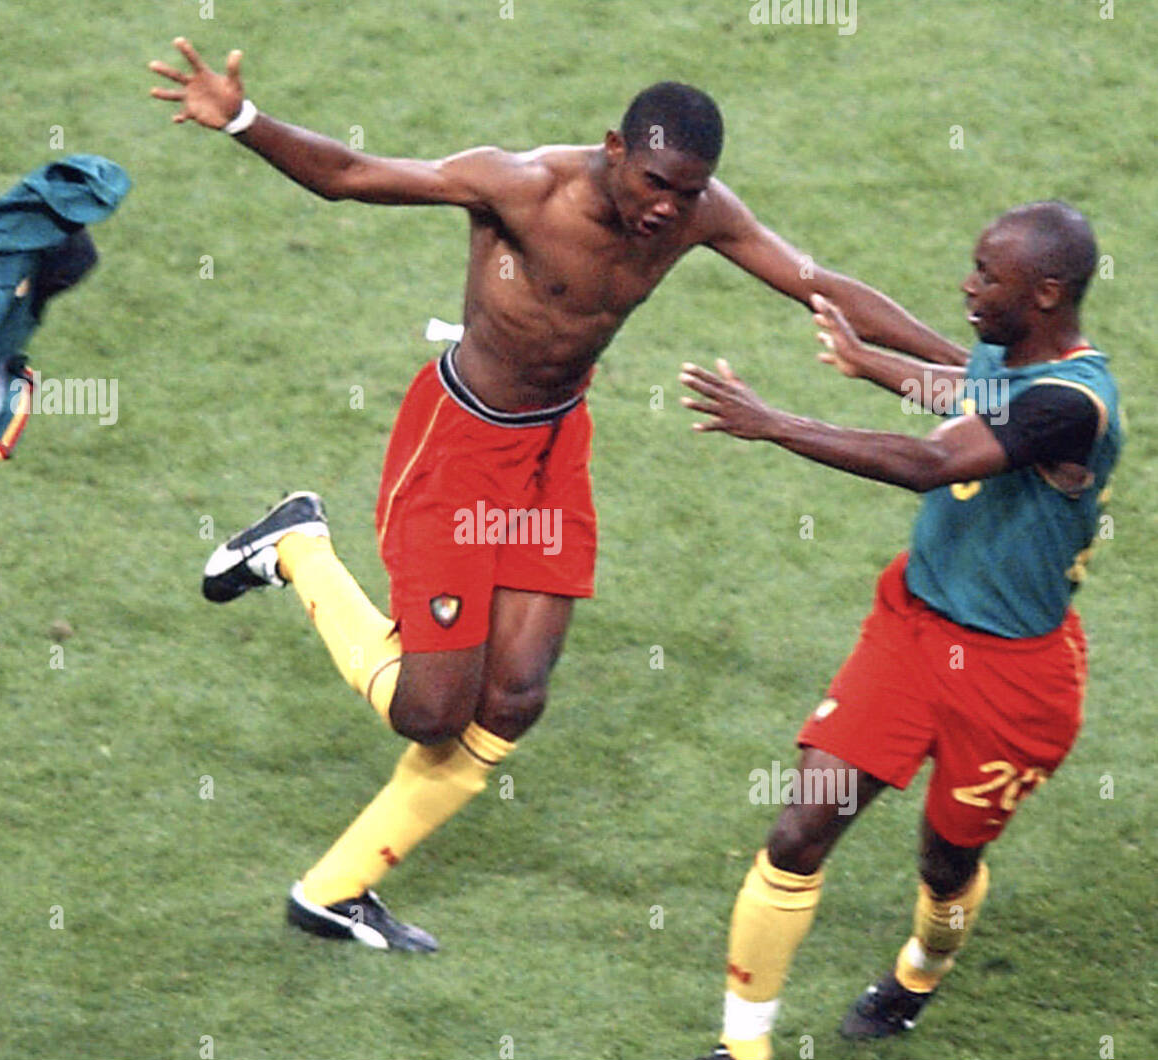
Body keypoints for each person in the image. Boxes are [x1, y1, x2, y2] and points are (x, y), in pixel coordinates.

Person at [148, 36, 964, 952]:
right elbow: (349, 174)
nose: (668, 208)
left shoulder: (698, 213)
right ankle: (296, 546)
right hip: (457, 445)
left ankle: (334, 892)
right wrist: (245, 120)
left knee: (516, 697)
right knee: (427, 710)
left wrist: (972, 367)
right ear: (615, 147)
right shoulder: (522, 186)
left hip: (553, 449)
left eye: (688, 191)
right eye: (655, 181)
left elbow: (820, 283)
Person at [680, 201, 1120, 1059]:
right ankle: (743, 1049)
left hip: (1015, 680)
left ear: (1047, 293)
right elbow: (962, 381)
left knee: (946, 862)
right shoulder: (1015, 351)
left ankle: (921, 968)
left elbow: (935, 460)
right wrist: (863, 356)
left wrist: (776, 424)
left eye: (988, 276)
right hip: (912, 630)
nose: (968, 283)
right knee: (801, 827)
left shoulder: (1074, 405)